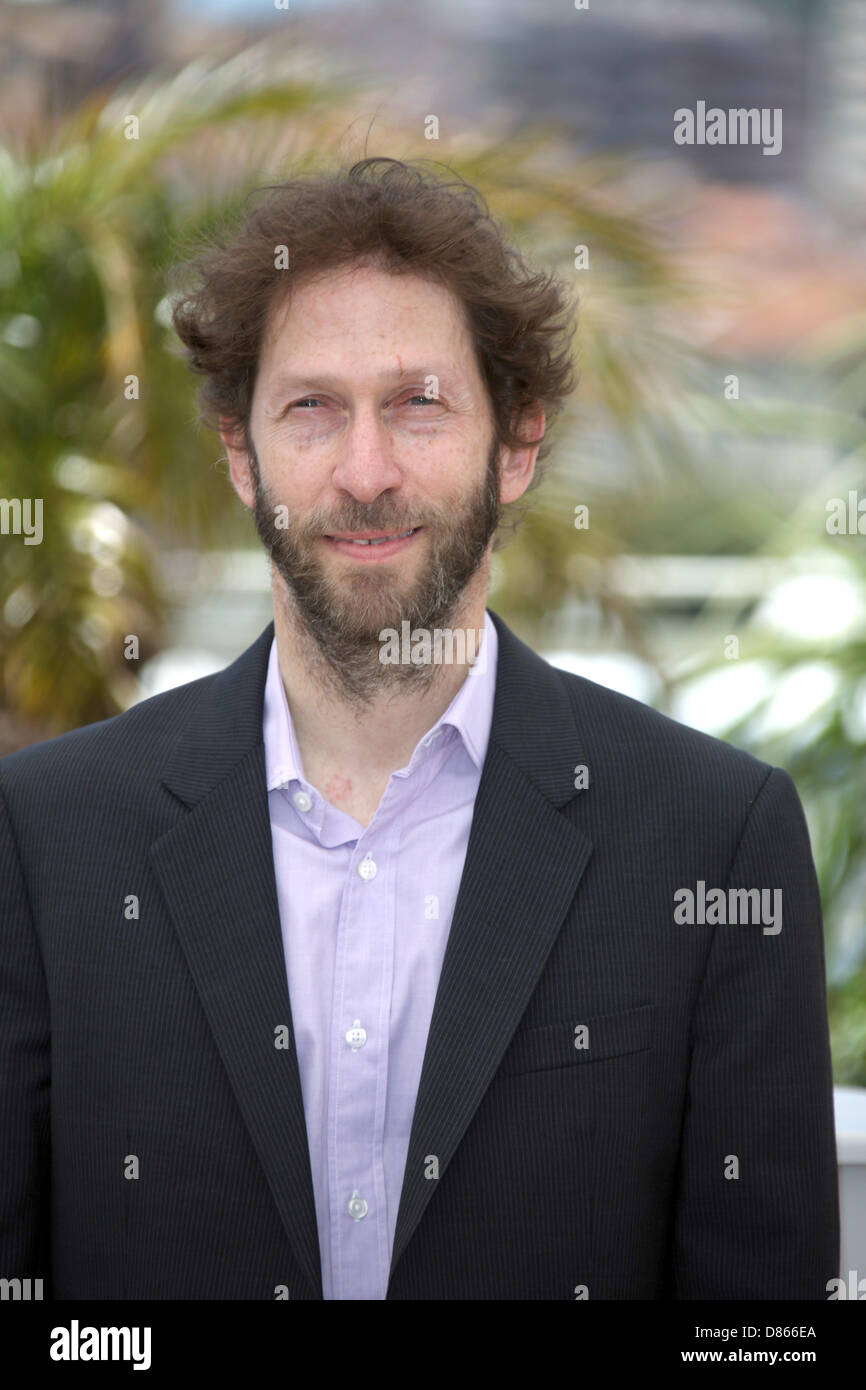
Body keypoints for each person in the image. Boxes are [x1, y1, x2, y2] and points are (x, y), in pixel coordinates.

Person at [0, 157, 839, 1300]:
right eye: (310, 409)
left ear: (517, 444)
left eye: (417, 404)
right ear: (242, 456)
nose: (364, 471)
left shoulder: (709, 836)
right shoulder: (47, 836)